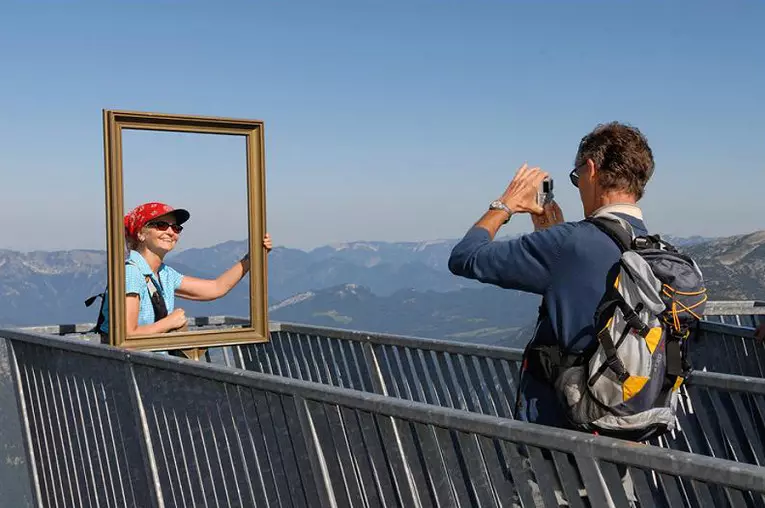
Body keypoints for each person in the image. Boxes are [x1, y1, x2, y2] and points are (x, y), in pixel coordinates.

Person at [448, 121, 654, 504]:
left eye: (577, 177)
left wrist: (504, 204)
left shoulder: (571, 242)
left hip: (557, 436)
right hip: (623, 431)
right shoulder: (650, 251)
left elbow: (465, 257)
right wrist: (553, 236)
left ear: (591, 170)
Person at [95, 201, 272, 339]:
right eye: (161, 225)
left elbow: (216, 288)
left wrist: (252, 257)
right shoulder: (131, 273)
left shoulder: (164, 273)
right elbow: (126, 336)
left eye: (176, 228)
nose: (171, 232)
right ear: (141, 234)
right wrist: (168, 323)